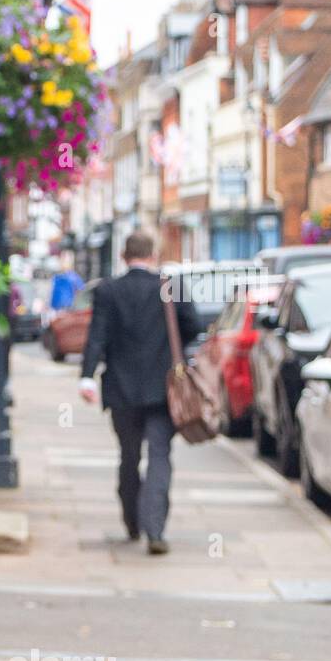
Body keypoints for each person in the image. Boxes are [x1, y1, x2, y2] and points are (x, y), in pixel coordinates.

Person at [78, 232, 202, 555]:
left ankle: (132, 521)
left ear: (123, 255)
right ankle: (155, 529)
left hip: (121, 391)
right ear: (153, 255)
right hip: (164, 391)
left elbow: (97, 337)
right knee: (160, 457)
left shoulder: (108, 290)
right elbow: (193, 326)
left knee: (129, 457)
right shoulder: (170, 287)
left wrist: (87, 378)